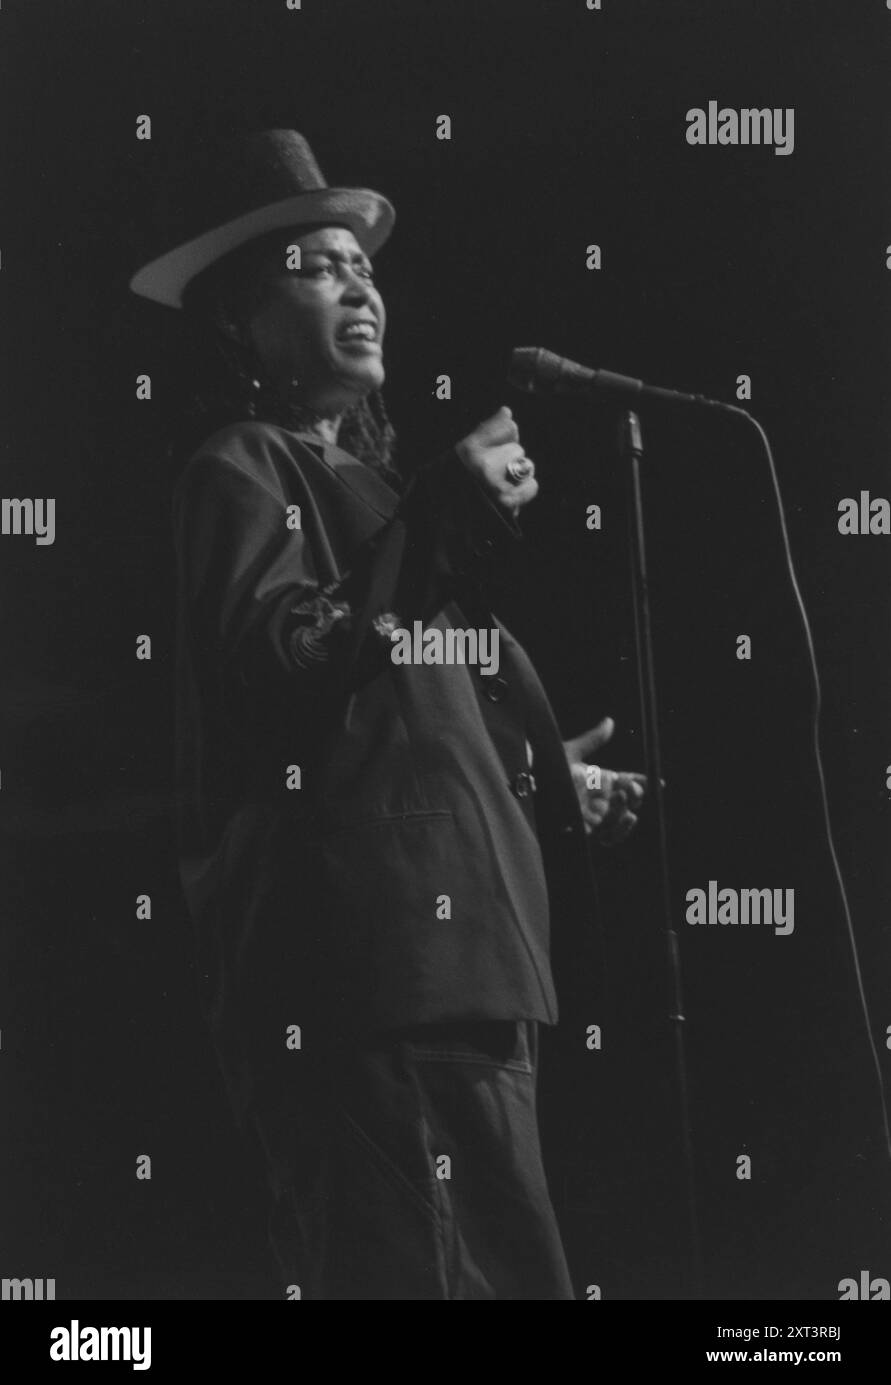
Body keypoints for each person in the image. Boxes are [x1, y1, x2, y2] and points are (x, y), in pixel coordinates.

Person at [130, 129, 647, 1300]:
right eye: (312, 265)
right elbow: (288, 663)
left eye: (359, 263)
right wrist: (440, 519)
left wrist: (538, 773)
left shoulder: (371, 490)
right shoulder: (240, 467)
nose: (356, 281)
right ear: (236, 322)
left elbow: (396, 711)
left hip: (464, 967)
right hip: (369, 973)